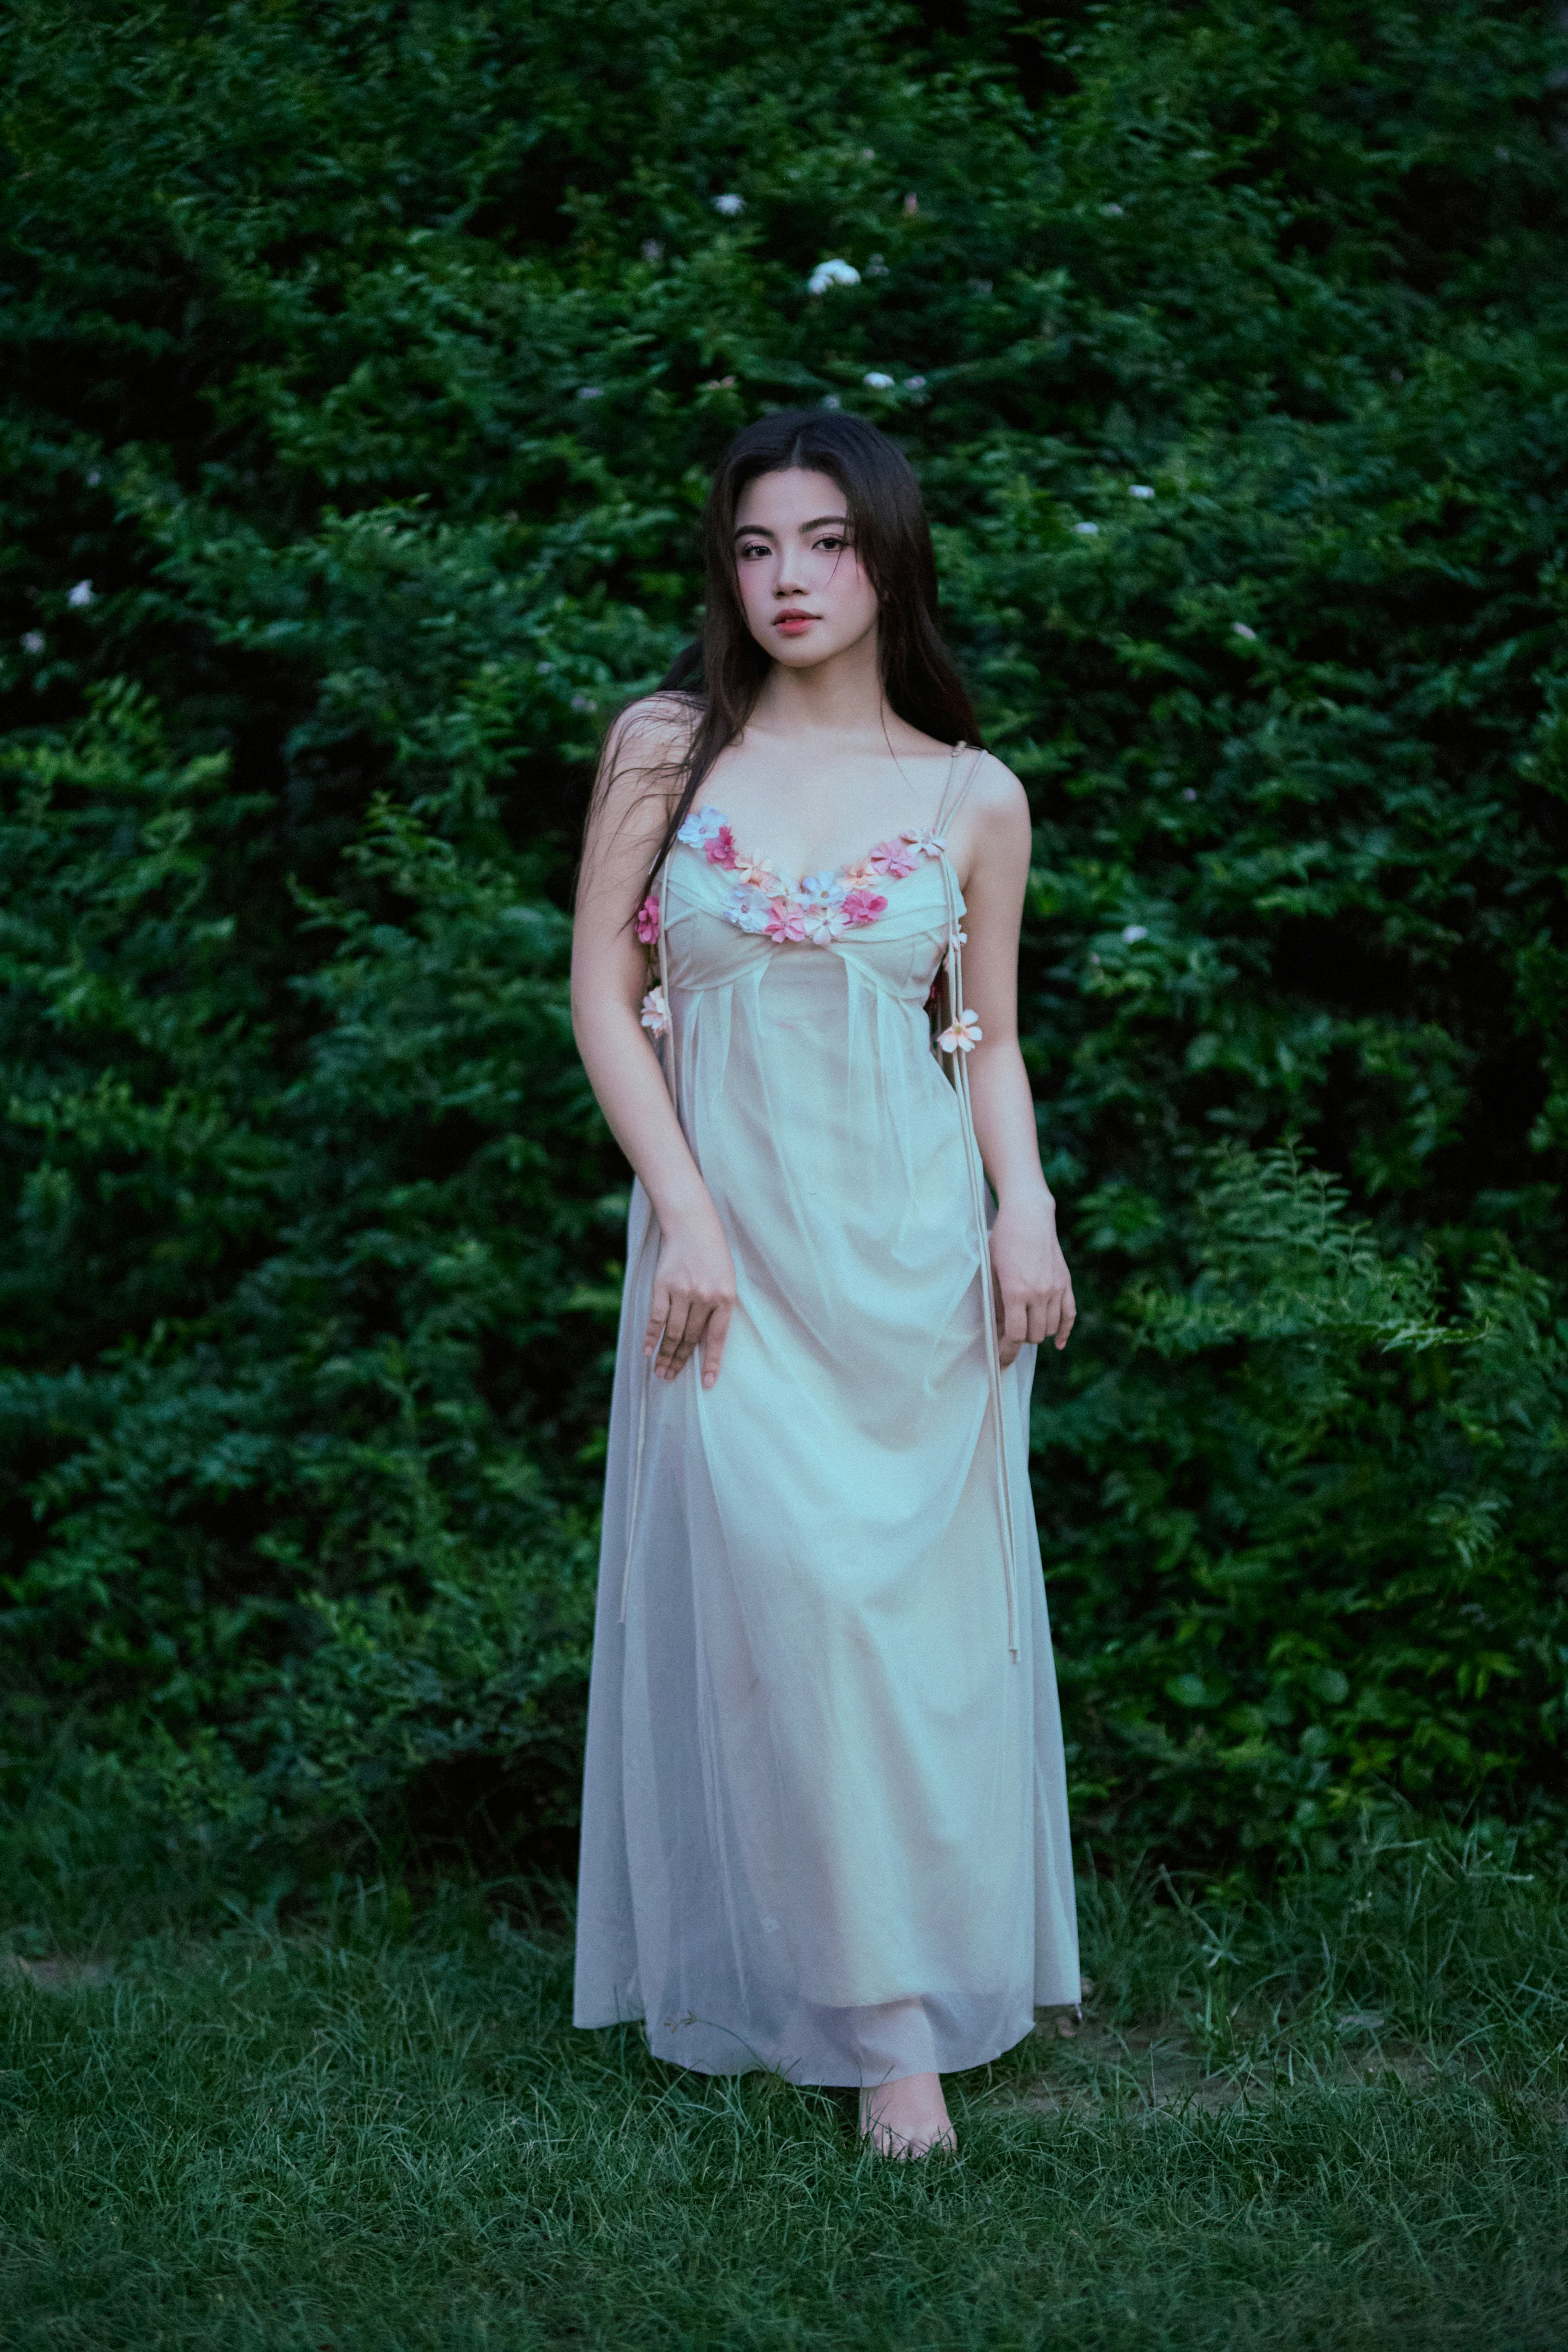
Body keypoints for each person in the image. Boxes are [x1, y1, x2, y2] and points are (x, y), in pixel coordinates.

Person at [570, 409, 1079, 2159]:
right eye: (757, 546)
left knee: (903, 1637)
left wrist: (1028, 1208)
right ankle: (882, 2033)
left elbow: (991, 1042)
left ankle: (902, 2000)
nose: (790, 579)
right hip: (728, 1261)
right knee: (788, 1610)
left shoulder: (967, 792)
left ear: (889, 556)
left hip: (915, 1261)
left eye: (829, 544)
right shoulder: (662, 751)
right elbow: (596, 999)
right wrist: (685, 1213)